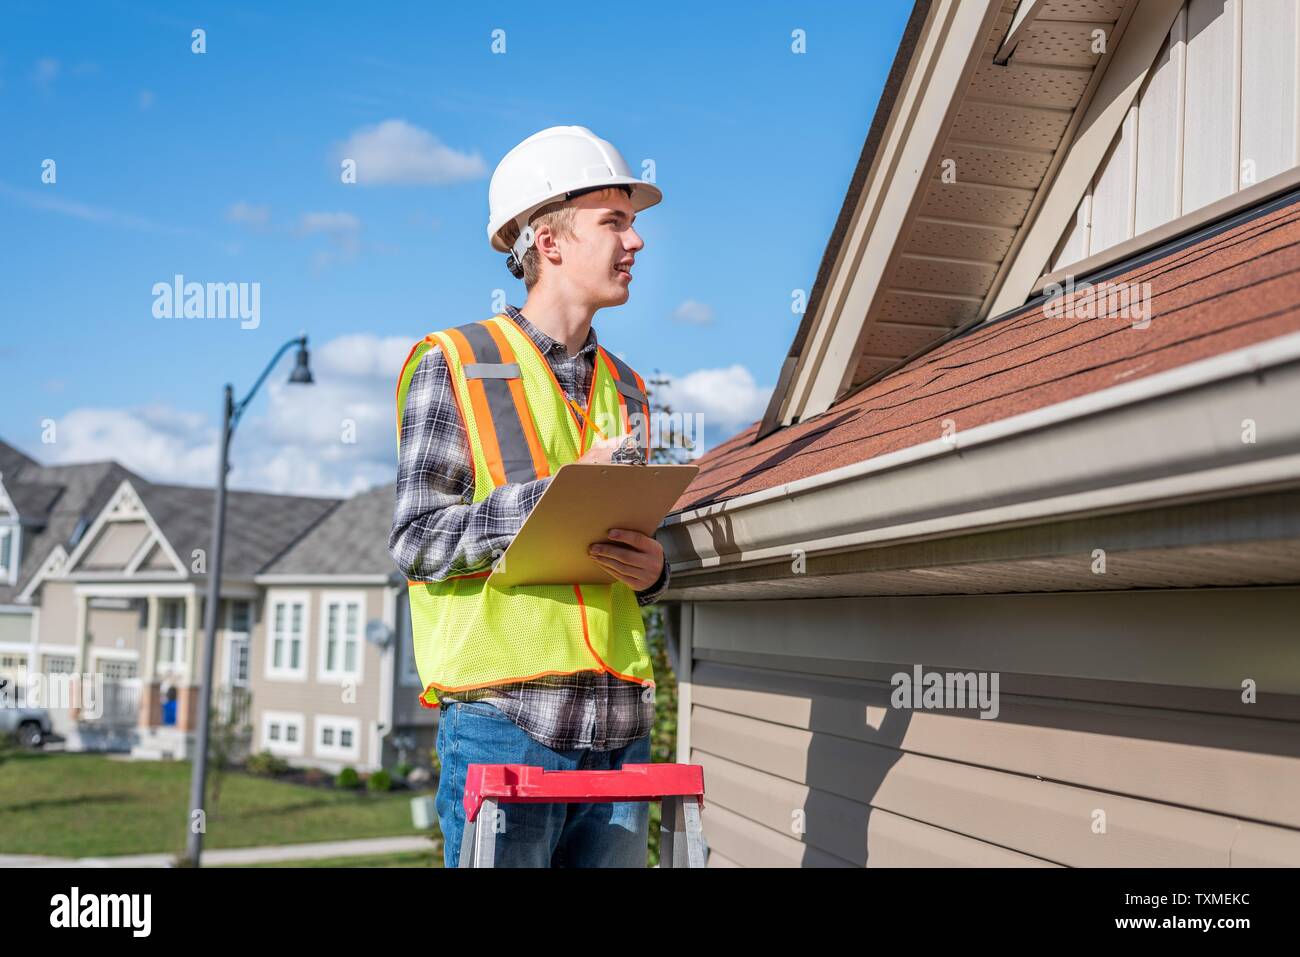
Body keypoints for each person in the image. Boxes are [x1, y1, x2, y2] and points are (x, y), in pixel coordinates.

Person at [388, 126, 668, 867]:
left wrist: (654, 572)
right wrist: (556, 497)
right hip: (506, 722)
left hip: (619, 727)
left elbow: (627, 547)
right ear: (549, 242)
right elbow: (416, 540)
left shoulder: (629, 389)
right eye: (615, 222)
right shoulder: (457, 362)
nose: (636, 240)